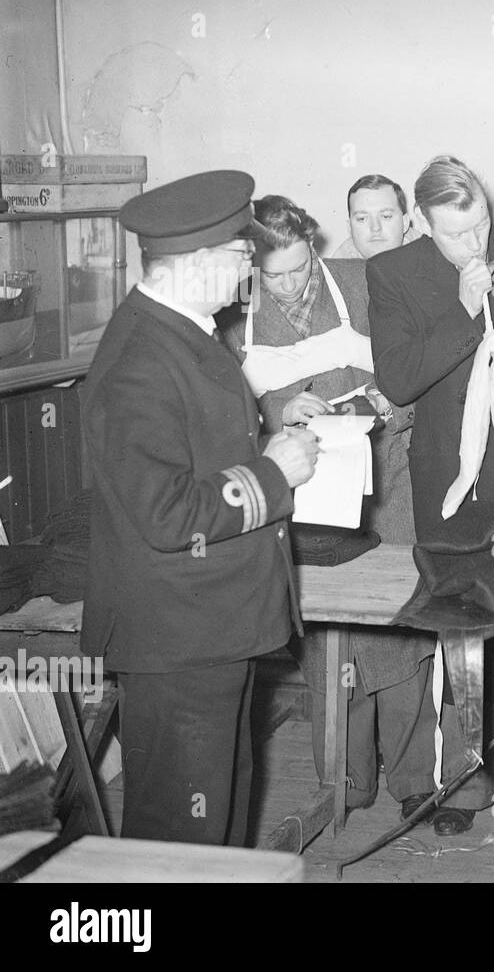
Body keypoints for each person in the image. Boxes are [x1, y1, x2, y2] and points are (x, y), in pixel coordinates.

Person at [82, 170, 320, 844]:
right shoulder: (141, 358)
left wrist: (269, 441)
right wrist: (273, 476)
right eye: (243, 259)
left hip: (213, 625)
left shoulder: (178, 331)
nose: (248, 276)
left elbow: (203, 445)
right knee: (178, 838)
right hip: (179, 638)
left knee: (218, 819)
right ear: (200, 263)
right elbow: (164, 511)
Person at [367, 155, 494, 836]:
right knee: (459, 633)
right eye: (456, 234)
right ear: (422, 224)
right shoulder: (394, 272)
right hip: (446, 485)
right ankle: (460, 786)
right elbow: (398, 380)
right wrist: (460, 310)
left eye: (480, 223)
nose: (475, 245)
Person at [216, 192, 438, 824]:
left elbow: (421, 373)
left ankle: (415, 779)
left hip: (388, 485)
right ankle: (345, 782)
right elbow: (221, 421)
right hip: (303, 502)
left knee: (402, 628)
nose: (286, 287)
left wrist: (391, 408)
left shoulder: (366, 285)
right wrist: (275, 414)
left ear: (314, 247)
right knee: (327, 645)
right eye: (272, 275)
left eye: (298, 269)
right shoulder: (233, 318)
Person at [330, 174, 420, 258]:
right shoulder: (332, 270)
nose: (375, 228)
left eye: (386, 216)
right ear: (350, 228)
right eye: (362, 219)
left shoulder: (430, 259)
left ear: (405, 223)